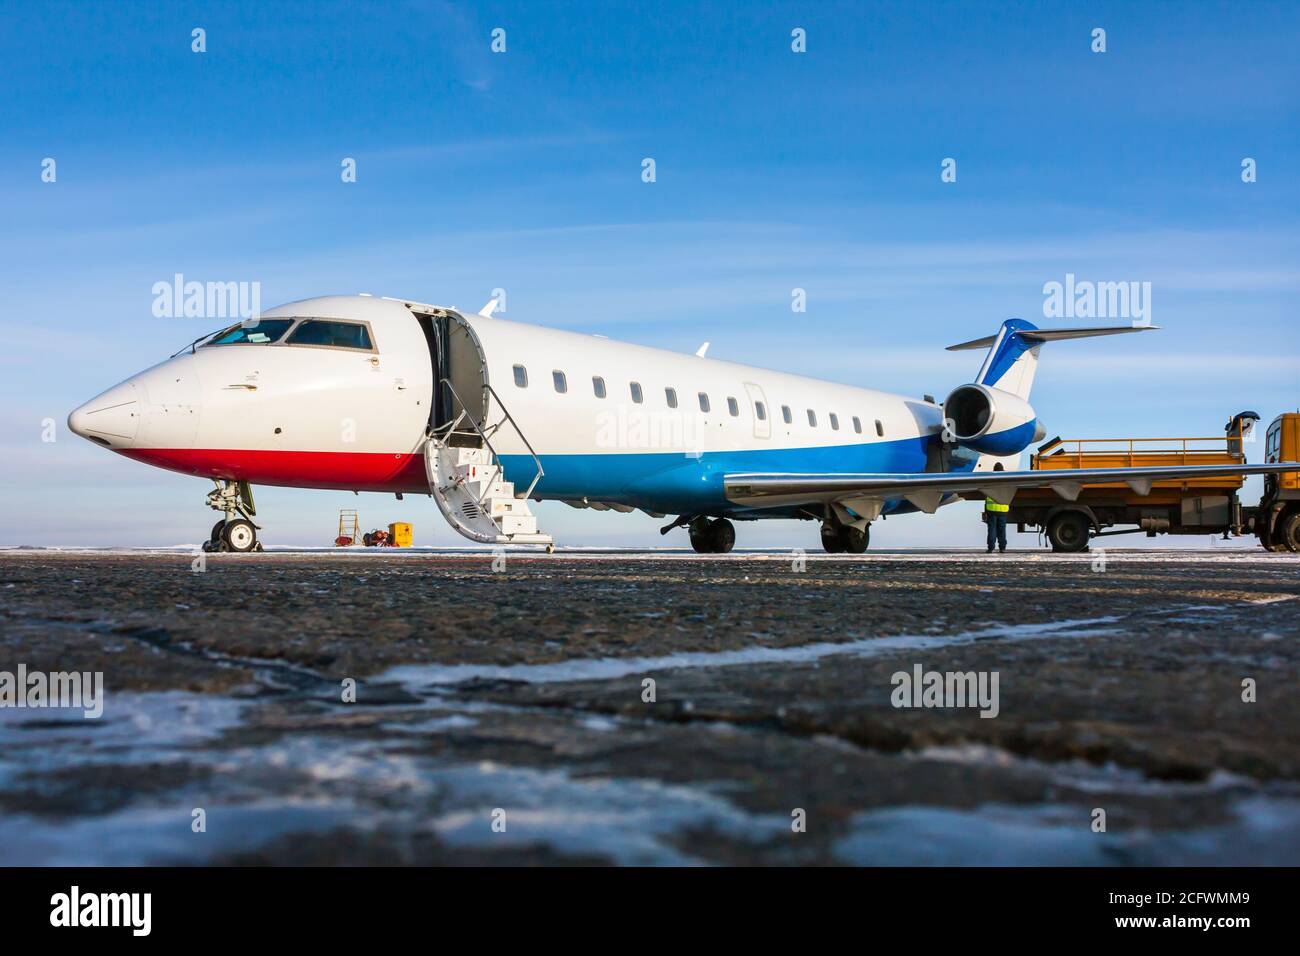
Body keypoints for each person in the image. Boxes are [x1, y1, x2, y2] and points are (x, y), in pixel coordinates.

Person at [984, 462, 1009, 553]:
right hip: (1002, 509)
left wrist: (986, 509)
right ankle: (1002, 547)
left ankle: (991, 547)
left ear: (994, 470)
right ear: (1002, 470)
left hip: (991, 509)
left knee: (992, 528)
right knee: (1002, 529)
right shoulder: (1006, 481)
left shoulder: (990, 480)